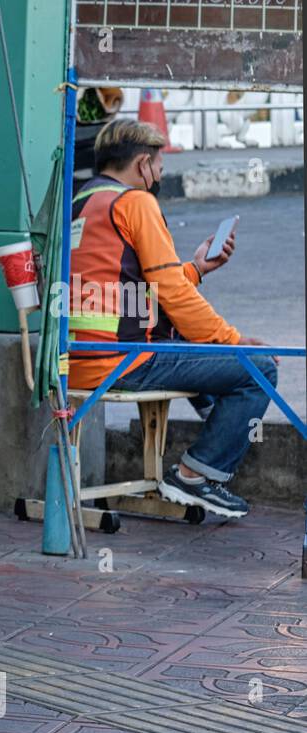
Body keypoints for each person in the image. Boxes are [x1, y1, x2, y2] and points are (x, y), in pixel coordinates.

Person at [69, 118, 278, 519]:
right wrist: (235, 343)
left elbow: (132, 286)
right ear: (143, 164)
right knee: (258, 370)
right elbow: (173, 296)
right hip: (122, 362)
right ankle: (193, 476)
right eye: (160, 169)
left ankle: (207, 447)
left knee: (202, 353)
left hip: (75, 363)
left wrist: (196, 269)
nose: (158, 178)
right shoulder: (135, 202)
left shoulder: (83, 201)